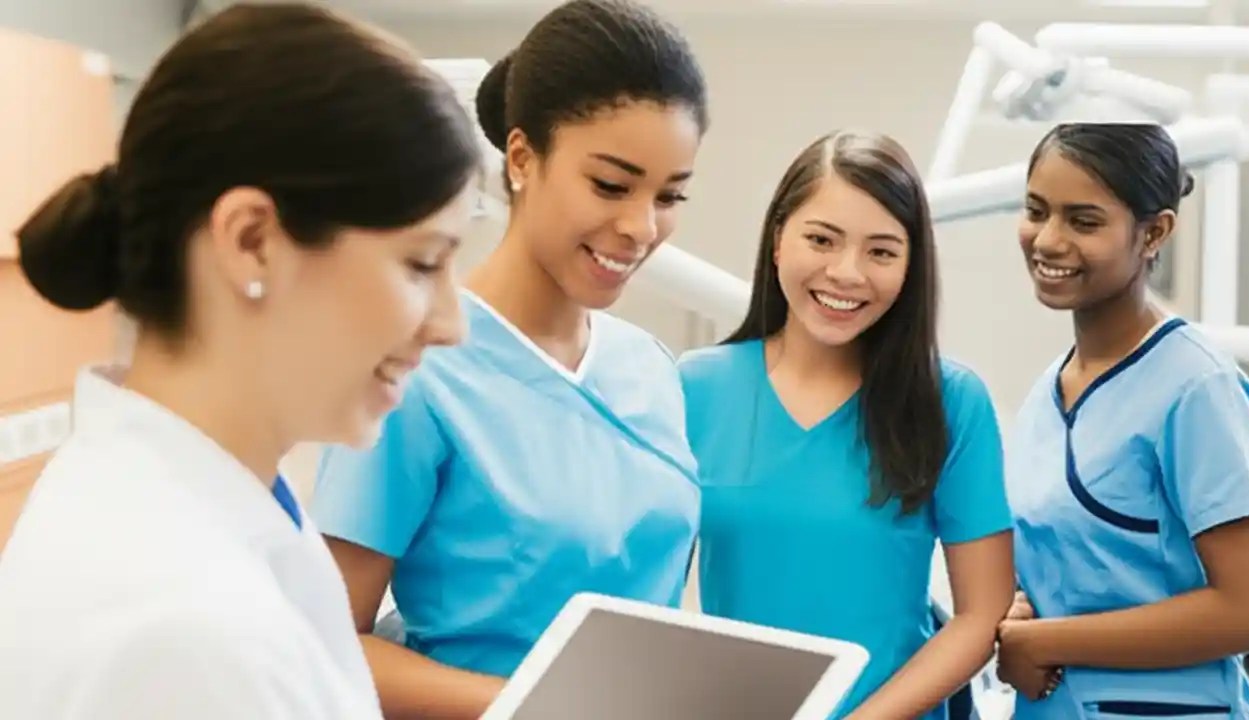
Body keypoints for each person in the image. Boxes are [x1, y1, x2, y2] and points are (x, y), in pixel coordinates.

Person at [0, 5, 480, 719]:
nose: (453, 325)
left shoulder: (210, 503)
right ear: (253, 240)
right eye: (421, 263)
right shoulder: (182, 630)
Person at [306, 1, 709, 716]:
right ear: (522, 158)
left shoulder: (649, 366)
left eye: (669, 194)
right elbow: (325, 642)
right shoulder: (418, 372)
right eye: (611, 186)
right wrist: (539, 706)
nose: (642, 227)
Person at [678, 129, 1014, 719]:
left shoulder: (952, 402)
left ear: (910, 266)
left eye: (881, 251)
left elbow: (980, 616)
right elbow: (644, 592)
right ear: (779, 239)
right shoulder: (693, 387)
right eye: (822, 239)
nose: (847, 272)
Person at [997, 122, 1249, 717]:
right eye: (1036, 210)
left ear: (1154, 232)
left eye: (1083, 220)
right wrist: (1016, 612)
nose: (1047, 239)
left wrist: (1043, 640)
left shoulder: (1198, 387)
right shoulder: (1048, 390)